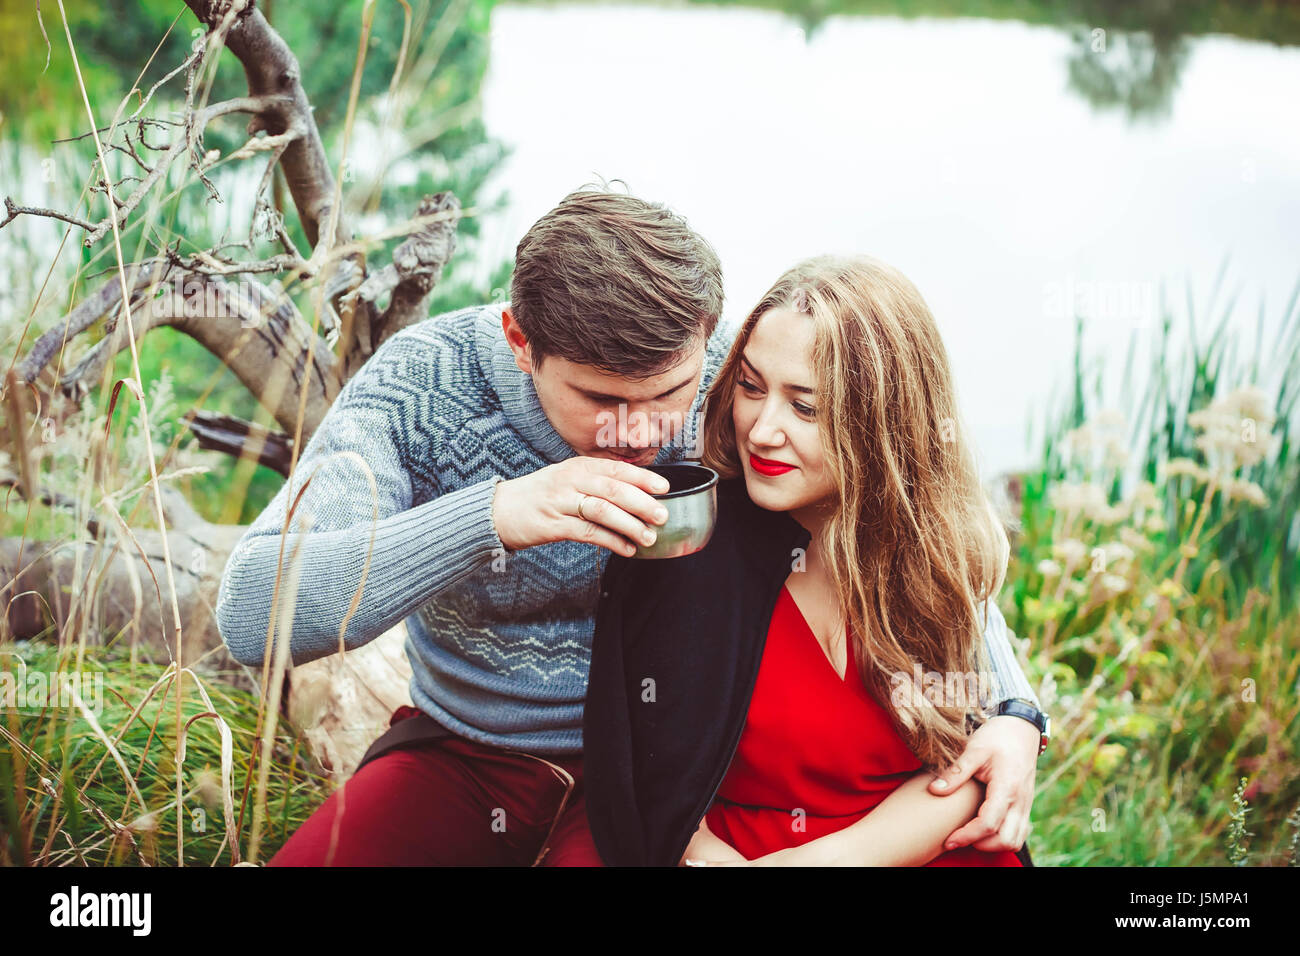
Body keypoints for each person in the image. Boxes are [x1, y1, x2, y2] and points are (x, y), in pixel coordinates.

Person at [215, 187, 1045, 866]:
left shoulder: (739, 378)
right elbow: (252, 615)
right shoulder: (419, 390)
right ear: (519, 341)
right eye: (603, 400)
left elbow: (898, 523)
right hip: (476, 752)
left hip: (676, 766)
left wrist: (1012, 707)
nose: (642, 433)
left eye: (668, 395)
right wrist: (496, 515)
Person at [583, 254, 1049, 866]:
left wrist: (1019, 721)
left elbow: (967, 767)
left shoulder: (933, 551)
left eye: (805, 407)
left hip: (921, 849)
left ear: (884, 423)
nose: (761, 430)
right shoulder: (688, 542)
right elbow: (644, 784)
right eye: (751, 387)